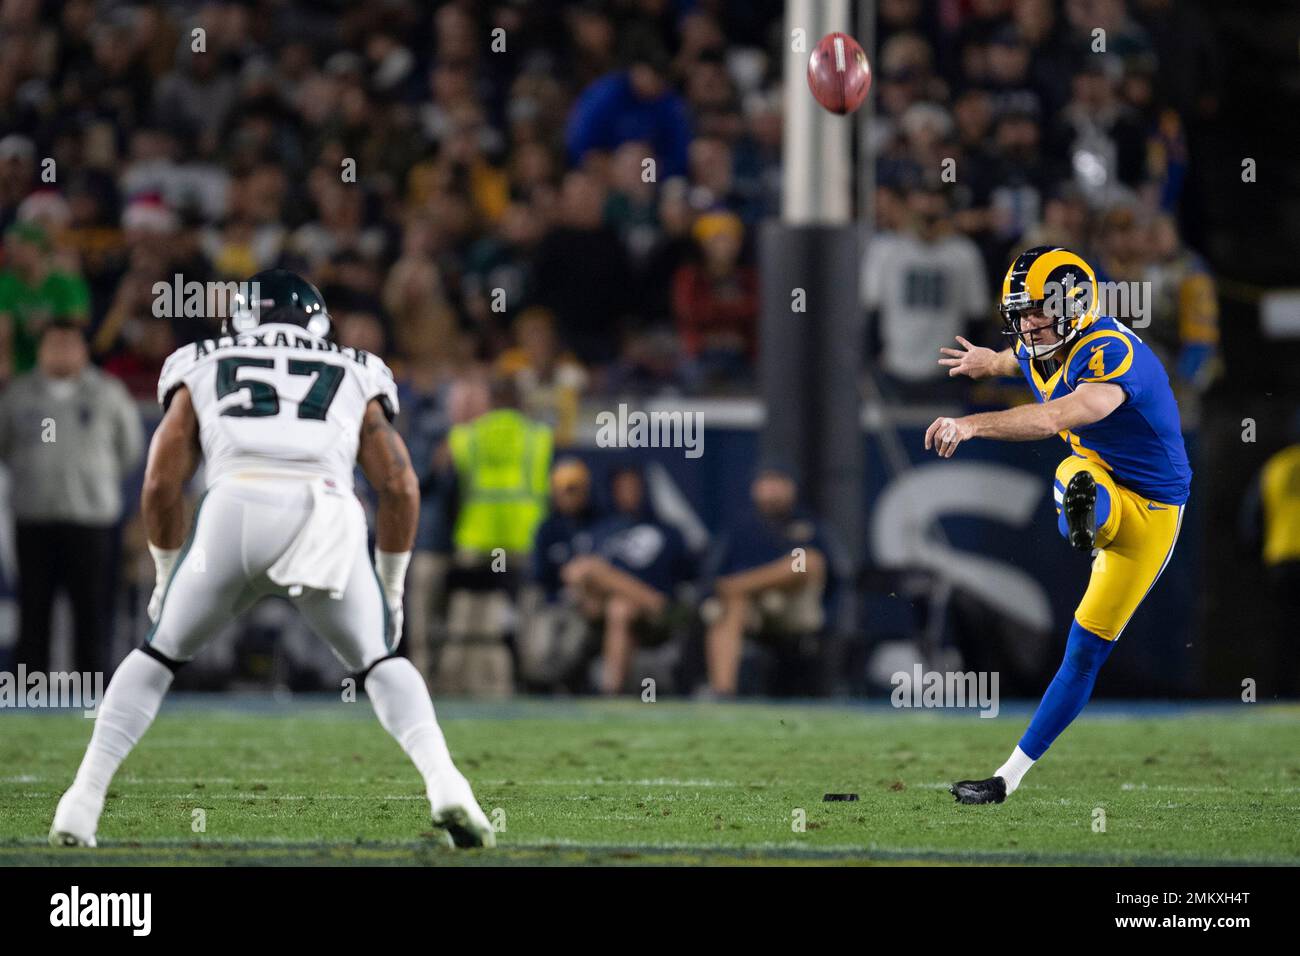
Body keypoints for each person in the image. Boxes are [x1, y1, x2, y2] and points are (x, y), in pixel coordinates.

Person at [49, 270, 494, 848]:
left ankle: (81, 801)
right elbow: (402, 486)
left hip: (234, 505)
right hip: (325, 511)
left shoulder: (201, 359)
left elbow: (161, 481)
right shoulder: (355, 366)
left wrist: (167, 570)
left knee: (159, 654)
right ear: (318, 323)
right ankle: (447, 783)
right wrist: (389, 586)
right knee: (378, 663)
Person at [927, 245, 1191, 803]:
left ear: (1072, 302)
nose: (1027, 324)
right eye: (1018, 313)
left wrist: (970, 426)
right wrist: (986, 361)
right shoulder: (1047, 341)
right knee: (1078, 473)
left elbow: (1051, 416)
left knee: (1085, 651)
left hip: (1151, 511)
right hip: (1097, 472)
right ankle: (1005, 781)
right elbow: (1017, 358)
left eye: (1036, 311)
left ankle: (1089, 522)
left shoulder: (1110, 353)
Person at [0, 320, 144, 672]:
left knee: (92, 610)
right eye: (54, 345)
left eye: (69, 345)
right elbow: (3, 446)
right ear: (40, 351)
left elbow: (130, 449)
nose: (62, 352)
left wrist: (95, 483)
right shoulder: (19, 394)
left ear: (83, 350)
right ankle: (28, 692)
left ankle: (92, 693)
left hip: (91, 520)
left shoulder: (108, 393)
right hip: (34, 517)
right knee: (34, 608)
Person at [564, 466, 693, 695]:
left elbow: (684, 576)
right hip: (606, 608)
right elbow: (574, 578)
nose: (628, 493)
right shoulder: (601, 531)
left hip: (659, 617)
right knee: (618, 606)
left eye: (633, 487)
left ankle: (611, 689)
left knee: (593, 572)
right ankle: (612, 692)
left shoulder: (669, 532)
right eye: (622, 488)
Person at [702, 468, 830, 697]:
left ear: (791, 488)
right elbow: (714, 577)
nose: (772, 491)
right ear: (756, 488)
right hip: (748, 606)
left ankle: (745, 585)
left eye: (778, 483)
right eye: (767, 483)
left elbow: (817, 567)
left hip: (792, 604)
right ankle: (723, 691)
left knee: (806, 560)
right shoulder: (740, 528)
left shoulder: (807, 525)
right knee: (732, 604)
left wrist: (748, 582)